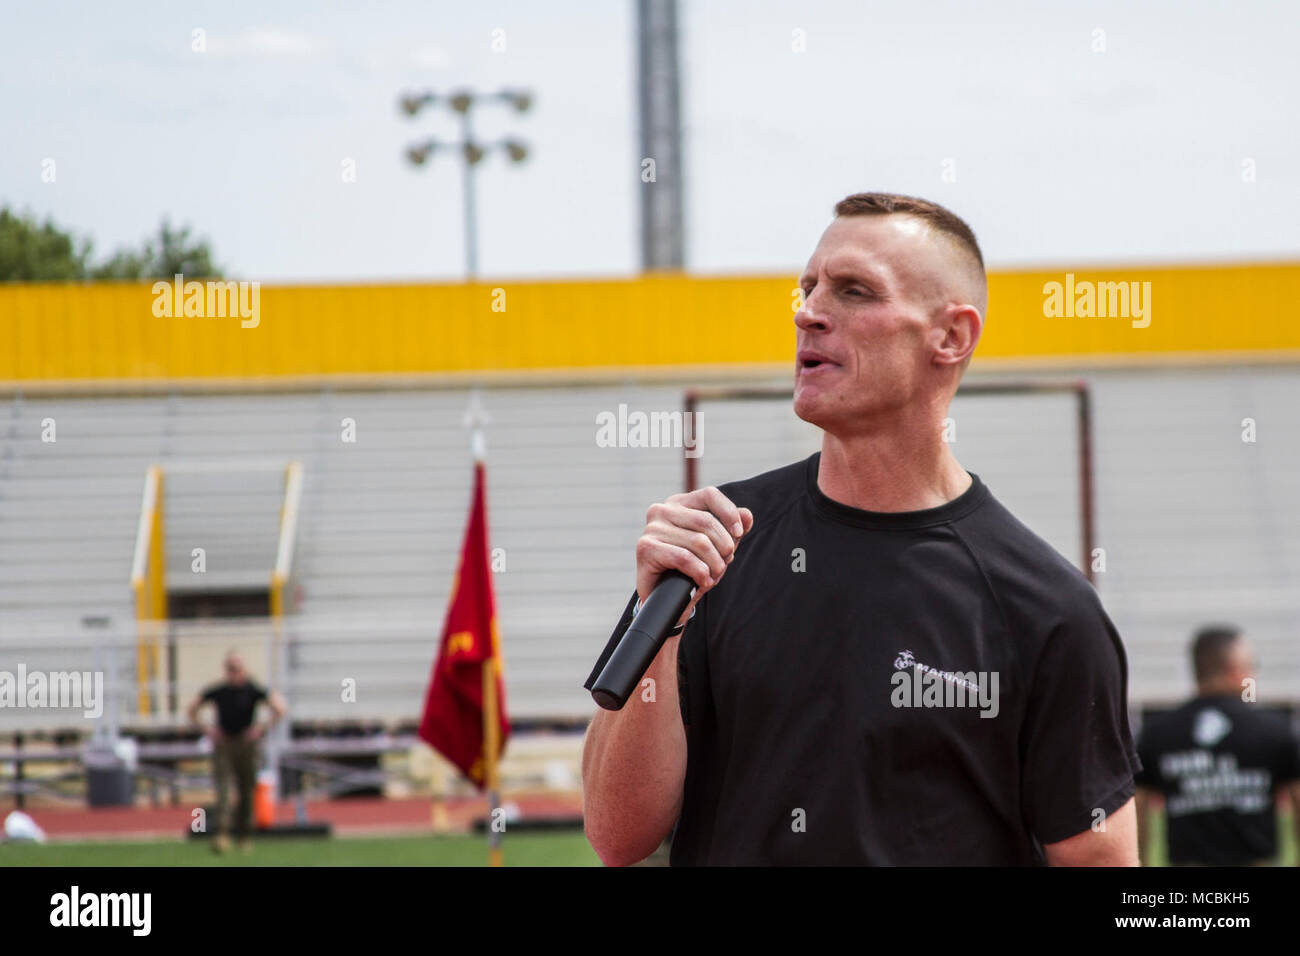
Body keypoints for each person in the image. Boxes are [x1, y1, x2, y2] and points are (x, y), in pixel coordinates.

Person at [583, 192, 1141, 866]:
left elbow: (1097, 860)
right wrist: (660, 624)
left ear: (951, 336)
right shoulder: (712, 547)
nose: (809, 312)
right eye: (808, 286)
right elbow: (615, 835)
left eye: (853, 291)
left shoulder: (1045, 607)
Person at [1135, 625, 1300, 865]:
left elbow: (1138, 811)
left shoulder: (1158, 732)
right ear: (1235, 670)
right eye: (1252, 667)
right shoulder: (1274, 729)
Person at [186, 651, 287, 853]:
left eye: (237, 668)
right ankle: (222, 834)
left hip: (246, 744)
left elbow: (280, 707)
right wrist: (208, 729)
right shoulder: (219, 691)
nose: (234, 673)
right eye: (231, 669)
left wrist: (260, 729)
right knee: (223, 790)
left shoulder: (253, 689)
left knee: (246, 790)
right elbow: (192, 708)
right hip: (224, 744)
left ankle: (244, 835)